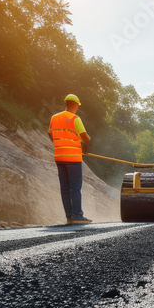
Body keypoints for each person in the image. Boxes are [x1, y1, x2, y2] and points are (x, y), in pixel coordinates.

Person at [48, 94, 92, 224]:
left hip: (59, 157)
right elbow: (85, 138)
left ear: (66, 103)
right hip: (73, 158)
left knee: (65, 188)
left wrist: (60, 144)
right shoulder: (75, 119)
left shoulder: (54, 117)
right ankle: (77, 215)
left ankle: (69, 216)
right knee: (75, 187)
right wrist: (85, 146)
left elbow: (50, 133)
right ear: (76, 105)